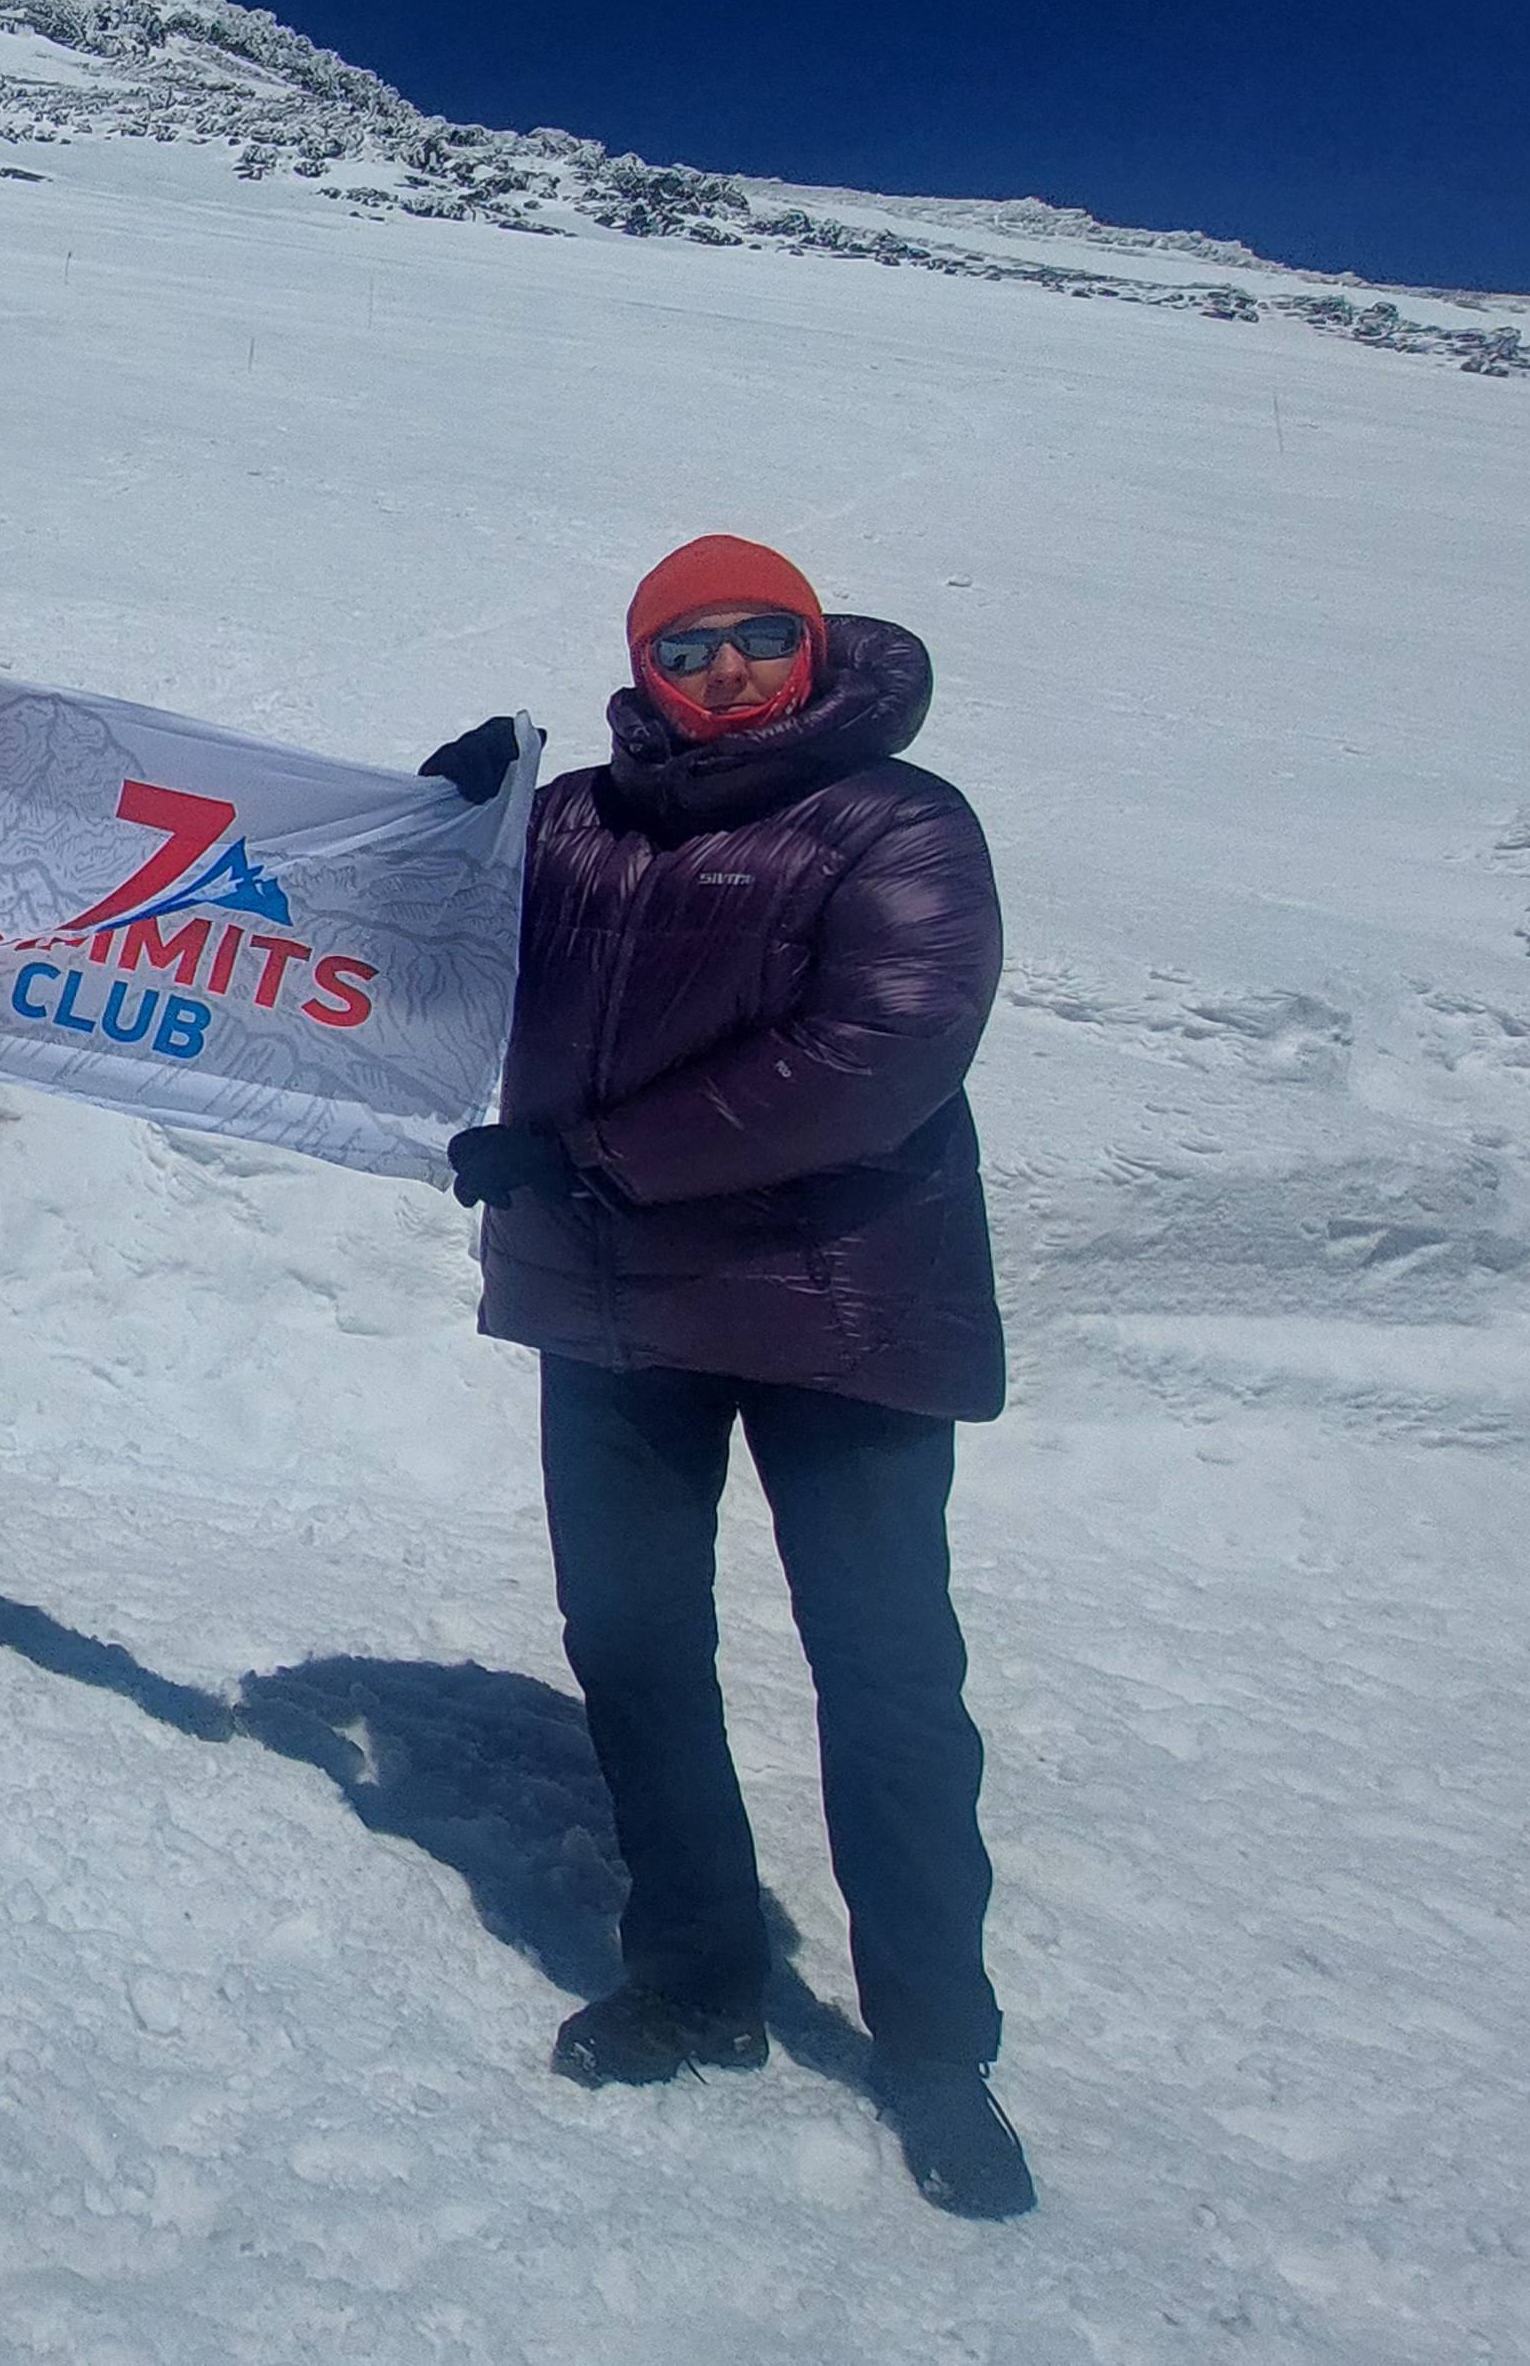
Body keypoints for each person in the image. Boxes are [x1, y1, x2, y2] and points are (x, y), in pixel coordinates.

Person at [421, 533, 1033, 2220]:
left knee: (885, 1675)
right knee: (633, 1646)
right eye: (687, 647)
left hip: (838, 1305)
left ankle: (935, 2044)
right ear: (645, 667)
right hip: (617, 1307)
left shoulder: (899, 821)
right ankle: (696, 1970)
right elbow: (422, 935)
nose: (728, 668)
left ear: (813, 644)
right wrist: (442, 815)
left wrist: (590, 1158)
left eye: (761, 635)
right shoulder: (579, 823)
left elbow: (878, 1053)